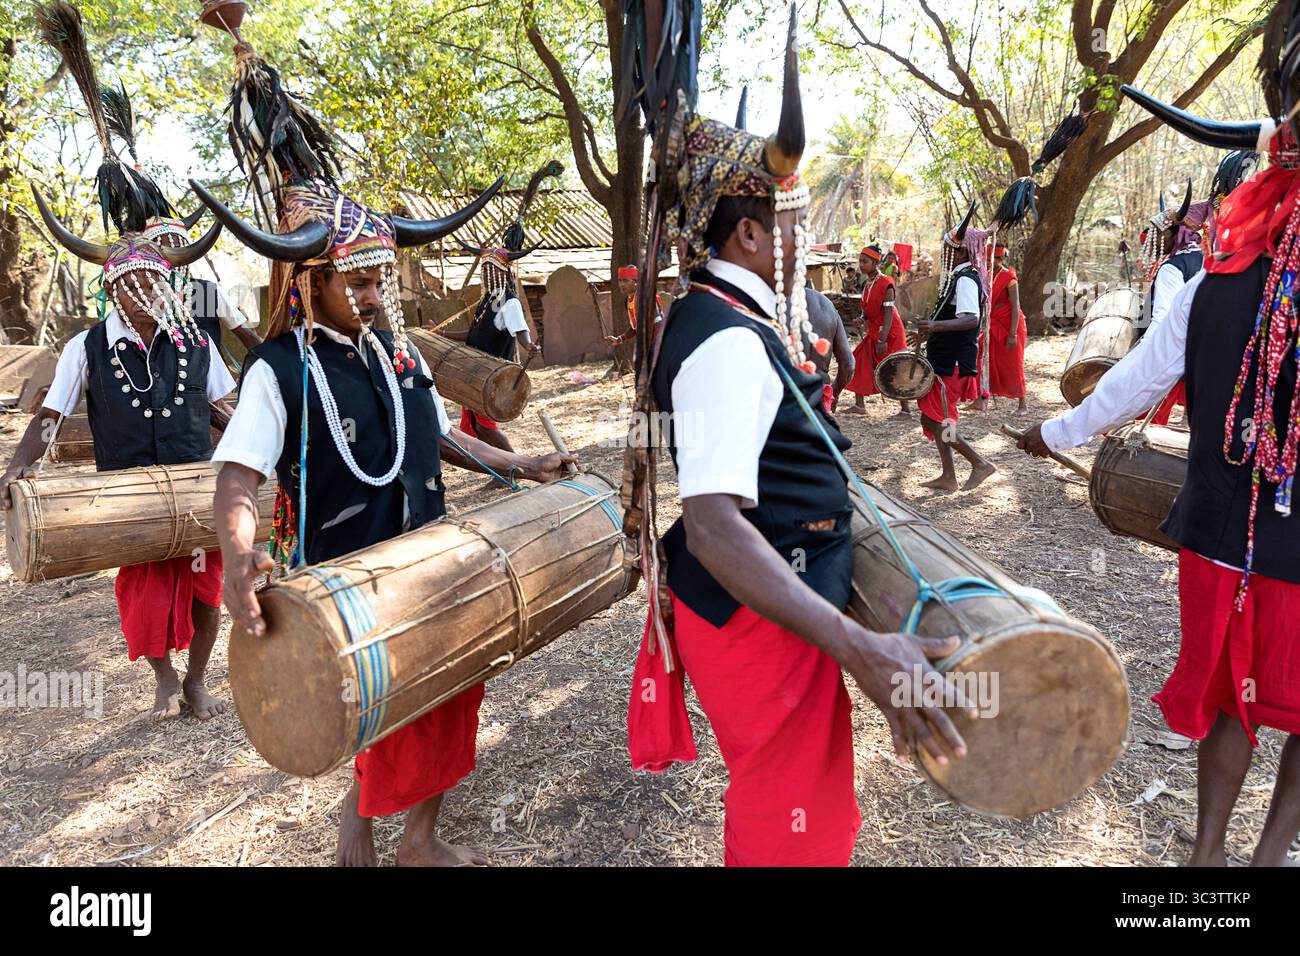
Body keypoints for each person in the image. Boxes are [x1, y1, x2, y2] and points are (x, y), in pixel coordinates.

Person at [196, 22, 572, 867]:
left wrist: (519, 466)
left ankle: (416, 838)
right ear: (309, 281)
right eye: (357, 282)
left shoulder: (399, 355)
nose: (373, 295)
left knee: (444, 690)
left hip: (428, 556)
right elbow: (237, 481)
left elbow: (432, 437)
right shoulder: (277, 371)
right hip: (344, 575)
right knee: (375, 706)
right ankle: (374, 837)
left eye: (380, 280)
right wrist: (236, 561)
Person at [624, 9, 969, 868]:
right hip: (758, 620)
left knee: (800, 818)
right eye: (789, 219)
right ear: (747, 232)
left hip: (772, 608)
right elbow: (714, 524)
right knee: (790, 831)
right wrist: (859, 645)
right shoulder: (729, 340)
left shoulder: (717, 315)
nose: (800, 237)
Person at [1018, 9, 1300, 864]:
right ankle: (1258, 859)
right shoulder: (1211, 271)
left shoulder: (1210, 271)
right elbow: (1142, 378)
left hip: (1218, 533)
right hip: (1269, 533)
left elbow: (1138, 377)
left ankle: (1209, 856)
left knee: (1232, 703)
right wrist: (1058, 427)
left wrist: (1053, 431)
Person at [1, 235, 233, 721]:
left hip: (194, 492)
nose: (143, 292)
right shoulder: (85, 347)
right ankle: (164, 677)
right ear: (112, 290)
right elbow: (52, 414)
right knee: (142, 597)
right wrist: (20, 462)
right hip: (127, 497)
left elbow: (223, 410)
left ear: (170, 288)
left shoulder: (198, 343)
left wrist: (258, 452)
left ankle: (195, 680)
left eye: (154, 282)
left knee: (205, 591)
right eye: (131, 285)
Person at [915, 204, 997, 492]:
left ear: (961, 251)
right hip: (945, 359)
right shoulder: (960, 278)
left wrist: (934, 327)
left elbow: (970, 319)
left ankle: (979, 463)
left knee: (938, 420)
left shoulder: (965, 279)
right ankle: (948, 476)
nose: (945, 253)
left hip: (952, 364)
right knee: (936, 417)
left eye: (949, 248)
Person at [843, 244, 908, 418]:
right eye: (860, 261)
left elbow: (888, 313)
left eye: (865, 262)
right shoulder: (867, 284)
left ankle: (906, 409)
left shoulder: (886, 283)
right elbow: (868, 309)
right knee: (858, 361)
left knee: (894, 368)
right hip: (874, 332)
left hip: (889, 333)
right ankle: (859, 405)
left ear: (875, 263)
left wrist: (883, 339)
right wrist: (861, 318)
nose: (861, 265)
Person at [987, 244, 1027, 414]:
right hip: (993, 322)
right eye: (991, 258)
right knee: (987, 359)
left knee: (1014, 363)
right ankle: (981, 398)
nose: (994, 261)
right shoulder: (986, 275)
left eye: (997, 258)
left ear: (1002, 259)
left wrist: (1012, 334)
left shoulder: (1009, 277)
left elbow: (1016, 306)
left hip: (1011, 323)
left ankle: (1022, 404)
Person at [804, 283, 853, 414]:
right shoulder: (826, 305)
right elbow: (848, 364)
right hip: (819, 400)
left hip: (783, 402)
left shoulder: (770, 304)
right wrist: (833, 393)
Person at [604, 264, 664, 348]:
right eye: (620, 280)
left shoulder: (645, 298)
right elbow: (635, 327)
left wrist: (655, 348)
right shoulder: (628, 301)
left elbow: (658, 323)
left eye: (625, 281)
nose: (621, 284)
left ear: (636, 282)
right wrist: (619, 339)